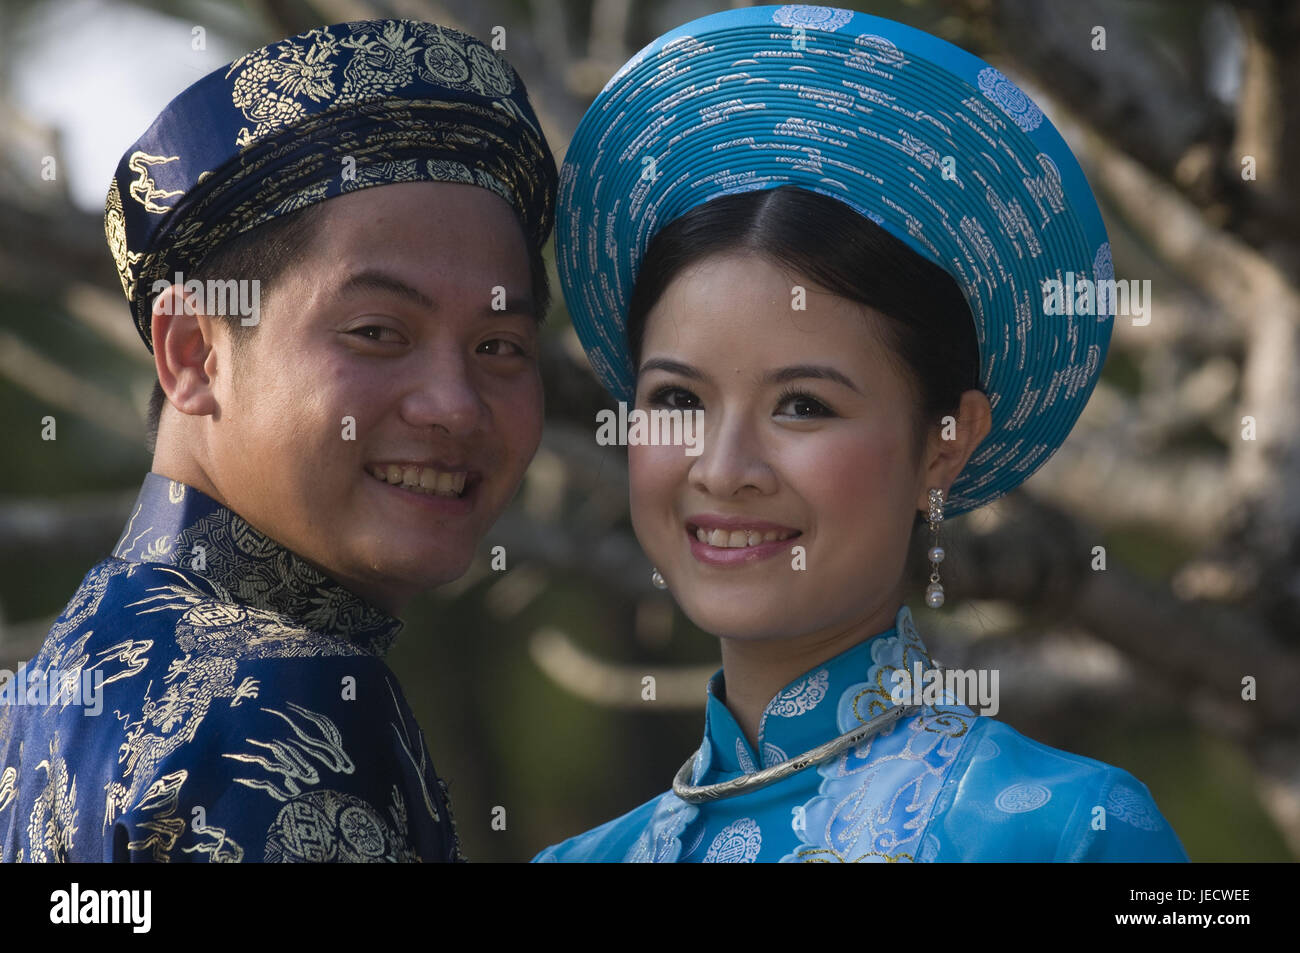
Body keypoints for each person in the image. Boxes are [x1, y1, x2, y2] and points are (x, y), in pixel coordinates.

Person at [535, 4, 1187, 862]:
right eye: (680, 402)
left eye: (802, 404)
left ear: (946, 443)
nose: (725, 469)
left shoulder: (1071, 832)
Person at [0, 18, 556, 862]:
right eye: (377, 330)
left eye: (499, 347)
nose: (455, 406)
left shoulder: (50, 693)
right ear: (194, 353)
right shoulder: (289, 701)